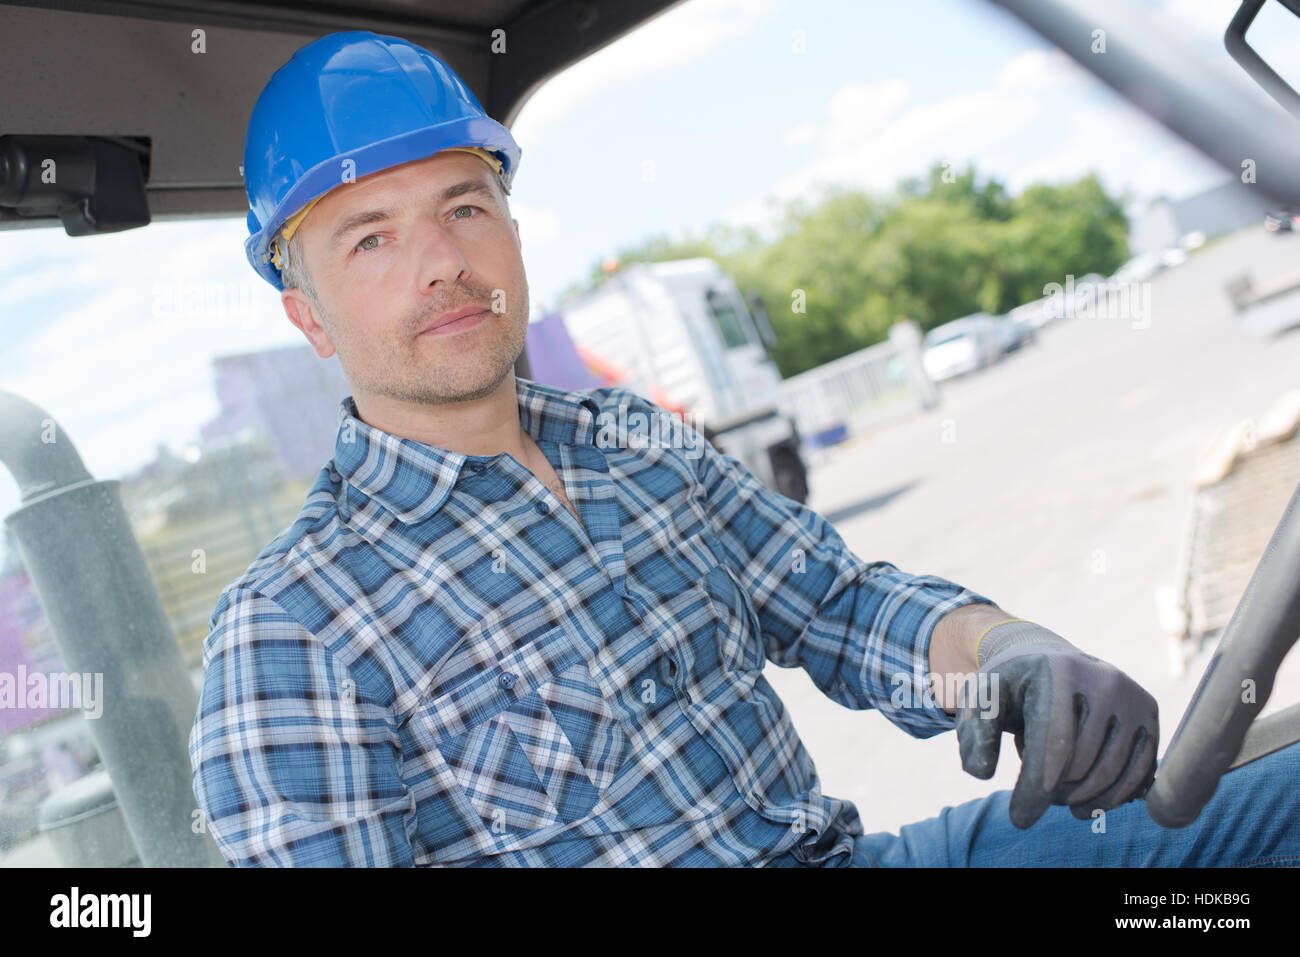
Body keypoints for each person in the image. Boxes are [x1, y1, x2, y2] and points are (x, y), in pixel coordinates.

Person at [188, 31, 1298, 867]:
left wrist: (1006, 648)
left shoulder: (632, 445)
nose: (439, 262)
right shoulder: (290, 634)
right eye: (370, 238)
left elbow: (843, 607)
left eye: (463, 208)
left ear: (512, 235)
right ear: (311, 319)